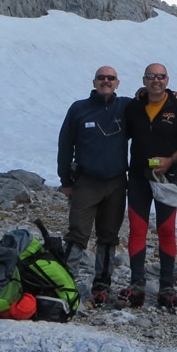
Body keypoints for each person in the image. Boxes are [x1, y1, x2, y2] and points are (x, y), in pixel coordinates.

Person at [118, 63, 177, 309]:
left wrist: (171, 160)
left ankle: (167, 287)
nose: (156, 80)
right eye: (151, 76)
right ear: (144, 80)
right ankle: (137, 284)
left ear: (167, 80)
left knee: (166, 230)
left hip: (168, 178)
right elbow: (122, 134)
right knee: (138, 229)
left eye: (161, 76)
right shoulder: (134, 106)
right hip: (139, 177)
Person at [56, 66, 131, 306]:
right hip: (86, 182)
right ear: (94, 82)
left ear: (117, 83)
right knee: (77, 233)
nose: (106, 81)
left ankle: (102, 285)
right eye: (101, 78)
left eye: (110, 78)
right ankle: (64, 282)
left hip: (116, 182)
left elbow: (152, 101)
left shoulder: (126, 107)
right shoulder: (79, 109)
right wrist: (65, 181)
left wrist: (174, 95)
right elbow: (65, 145)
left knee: (109, 236)